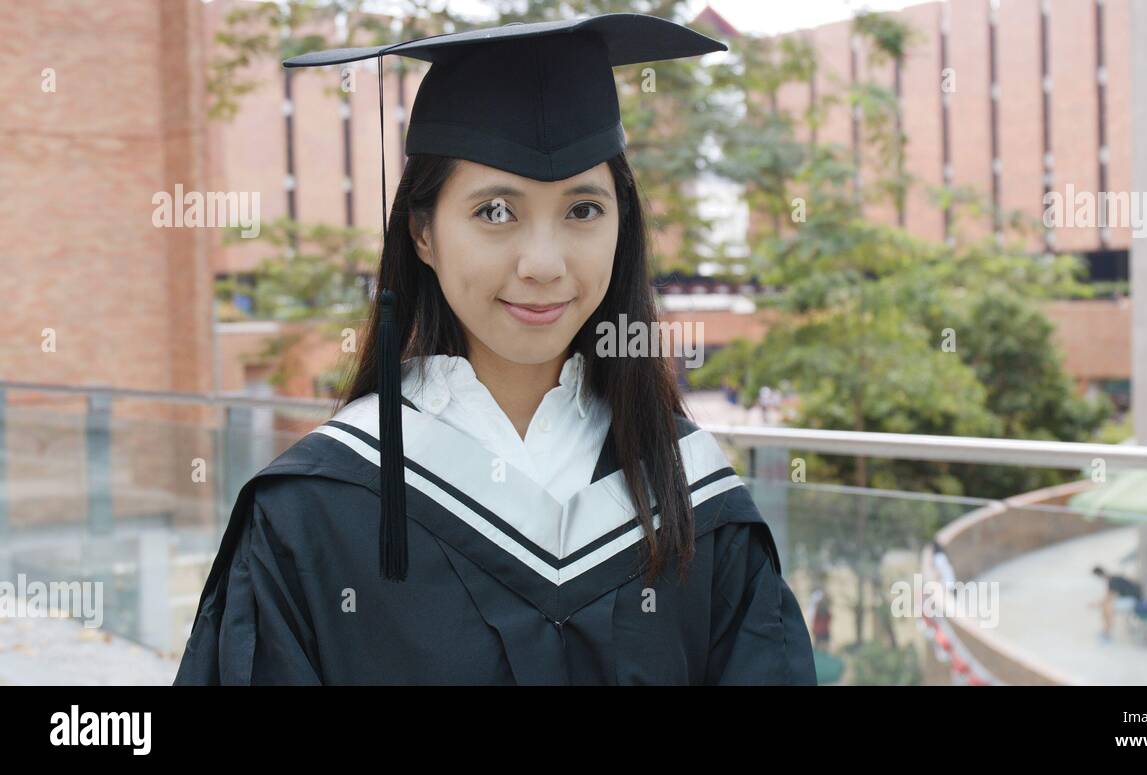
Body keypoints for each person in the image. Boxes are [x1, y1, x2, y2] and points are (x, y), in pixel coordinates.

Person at [173, 14, 816, 685]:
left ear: (623, 224)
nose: (543, 263)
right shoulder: (310, 517)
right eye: (495, 212)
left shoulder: (695, 504)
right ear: (422, 232)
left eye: (582, 209)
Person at [1091, 565, 1147, 641]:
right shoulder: (1113, 579)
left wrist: (1098, 604)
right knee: (1106, 606)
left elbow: (1111, 596)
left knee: (1108, 607)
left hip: (1134, 600)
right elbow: (1109, 596)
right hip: (1132, 599)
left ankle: (1106, 632)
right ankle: (1106, 631)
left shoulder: (1112, 580)